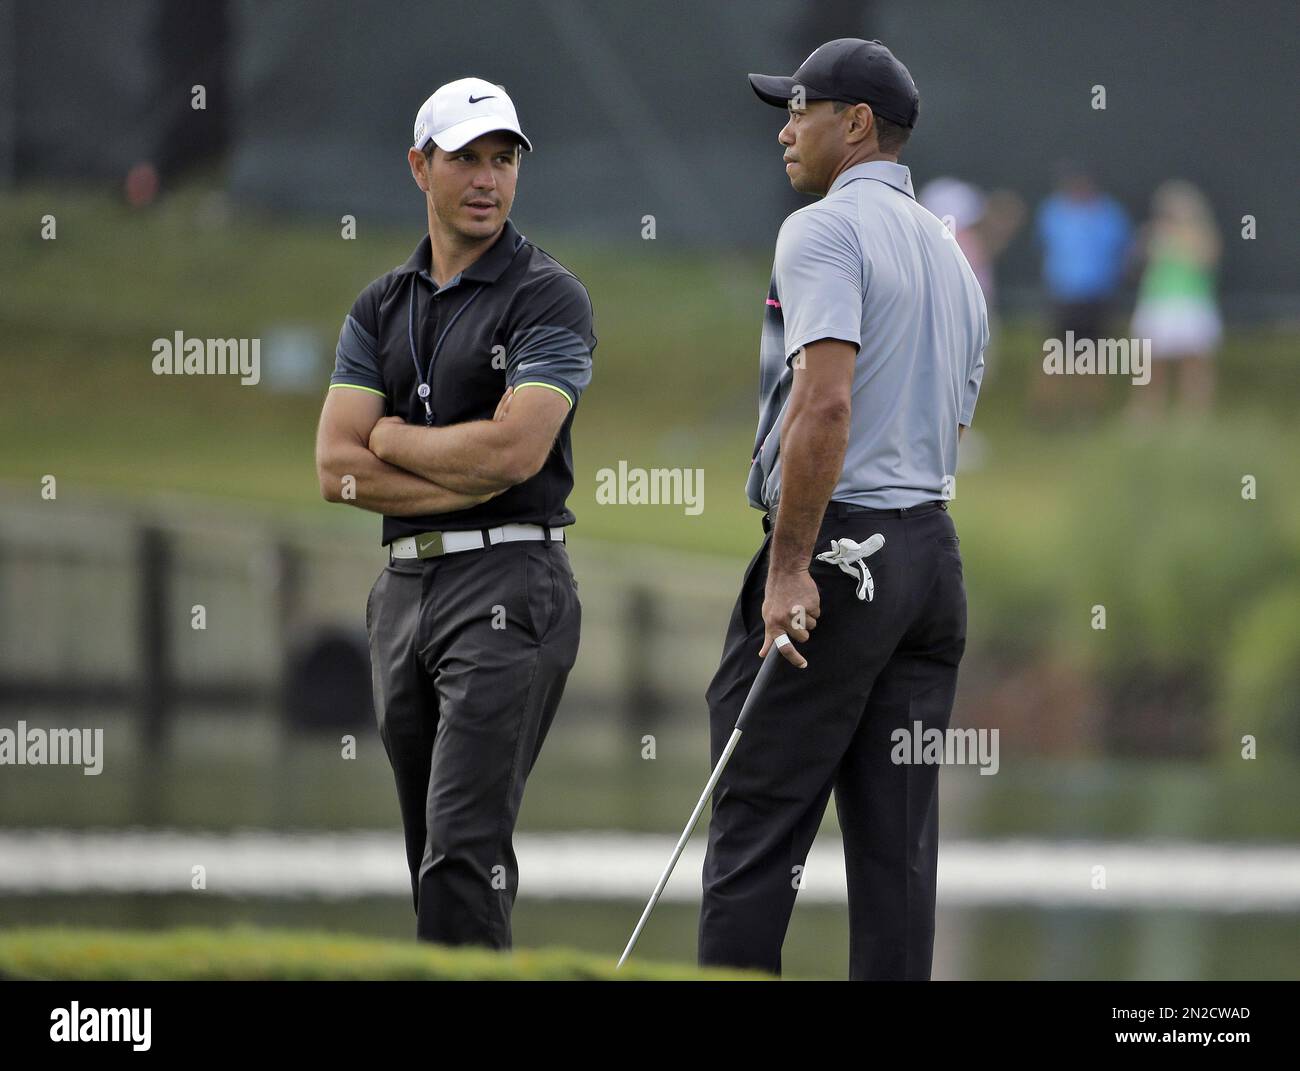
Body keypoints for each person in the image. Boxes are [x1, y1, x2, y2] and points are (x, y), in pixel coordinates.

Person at [697, 38, 988, 980]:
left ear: (855, 125)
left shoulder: (821, 230)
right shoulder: (952, 253)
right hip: (931, 560)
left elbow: (826, 402)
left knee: (753, 831)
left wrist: (789, 567)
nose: (786, 129)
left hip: (840, 558)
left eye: (800, 109)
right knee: (898, 857)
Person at [314, 77, 594, 948]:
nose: (487, 178)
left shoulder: (549, 295)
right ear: (418, 167)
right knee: (427, 852)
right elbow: (335, 467)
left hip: (510, 580)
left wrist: (389, 438)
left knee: (462, 852)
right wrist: (452, 468)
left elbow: (517, 455)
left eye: (502, 159)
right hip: (402, 593)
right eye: (465, 157)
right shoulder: (380, 305)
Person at [1033, 164, 1131, 417]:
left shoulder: (1108, 213)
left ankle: (1087, 409)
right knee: (1055, 352)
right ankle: (1047, 409)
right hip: (1063, 294)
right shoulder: (1054, 211)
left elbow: (1121, 250)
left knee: (1094, 354)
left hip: (1096, 294)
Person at [1127, 180, 1223, 419]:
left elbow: (1207, 261)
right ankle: (1147, 409)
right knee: (1149, 362)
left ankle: (1192, 413)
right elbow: (1136, 265)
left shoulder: (1203, 235)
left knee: (1193, 362)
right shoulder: (1152, 233)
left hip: (1191, 303)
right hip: (1157, 301)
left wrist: (1181, 240)